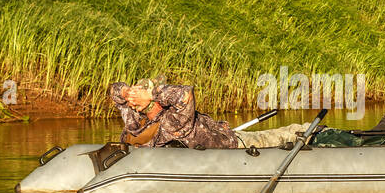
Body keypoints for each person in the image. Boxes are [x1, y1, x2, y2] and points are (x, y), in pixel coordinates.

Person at [108, 79, 312, 149]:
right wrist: (139, 94)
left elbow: (185, 94)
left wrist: (133, 94)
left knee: (286, 134)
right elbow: (184, 94)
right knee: (282, 134)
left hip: (230, 139)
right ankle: (305, 130)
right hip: (231, 143)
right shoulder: (169, 122)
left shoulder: (137, 124)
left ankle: (313, 131)